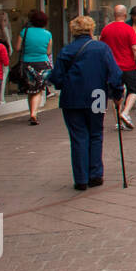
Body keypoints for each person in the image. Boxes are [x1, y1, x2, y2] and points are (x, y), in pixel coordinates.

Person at [47, 15, 122, 190]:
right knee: (96, 133)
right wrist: (117, 93)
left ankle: (81, 178)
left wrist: (64, 82)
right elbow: (115, 73)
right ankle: (95, 174)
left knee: (78, 136)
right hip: (97, 95)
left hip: (72, 97)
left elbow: (56, 77)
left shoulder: (67, 50)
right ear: (91, 30)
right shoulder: (101, 48)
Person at [100, 5, 136, 130]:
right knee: (135, 90)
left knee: (116, 95)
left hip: (112, 67)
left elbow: (102, 48)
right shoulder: (129, 29)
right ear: (125, 15)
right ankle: (125, 112)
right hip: (128, 66)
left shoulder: (106, 30)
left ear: (114, 15)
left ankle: (119, 122)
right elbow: (135, 48)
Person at [15, 9, 53, 125]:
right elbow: (48, 51)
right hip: (42, 63)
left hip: (27, 63)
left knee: (31, 89)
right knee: (39, 90)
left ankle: (31, 112)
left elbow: (17, 48)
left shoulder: (24, 32)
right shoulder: (47, 34)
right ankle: (34, 113)